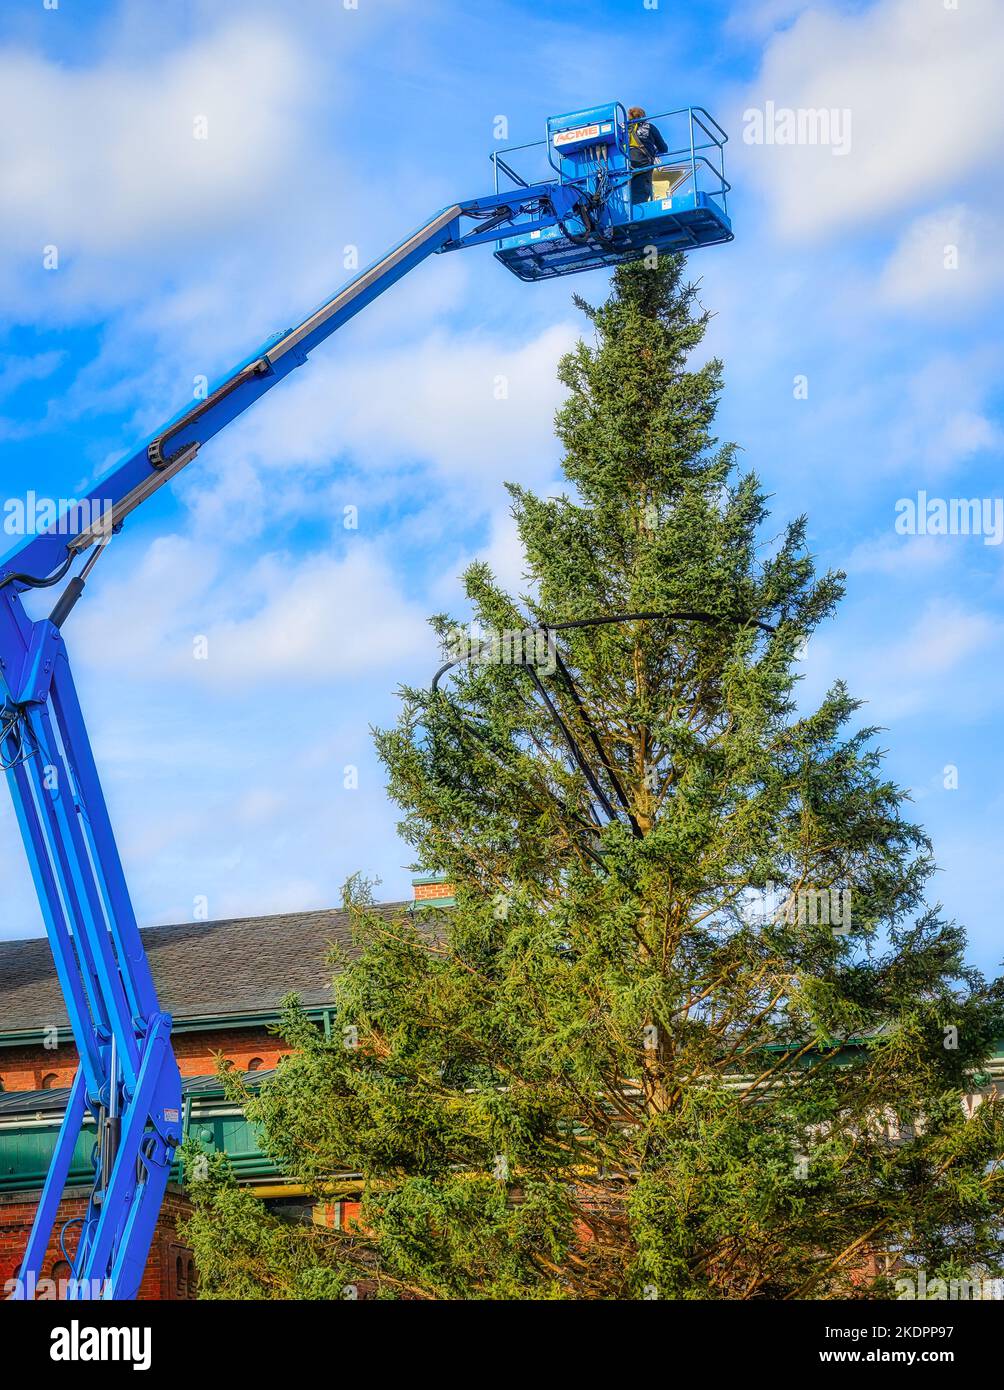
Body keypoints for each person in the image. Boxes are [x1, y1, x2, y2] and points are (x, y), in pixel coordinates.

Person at [627, 106, 668, 204]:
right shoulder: (649, 127)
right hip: (642, 168)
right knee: (639, 200)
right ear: (643, 116)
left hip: (625, 167)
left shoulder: (623, 128)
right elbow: (664, 148)